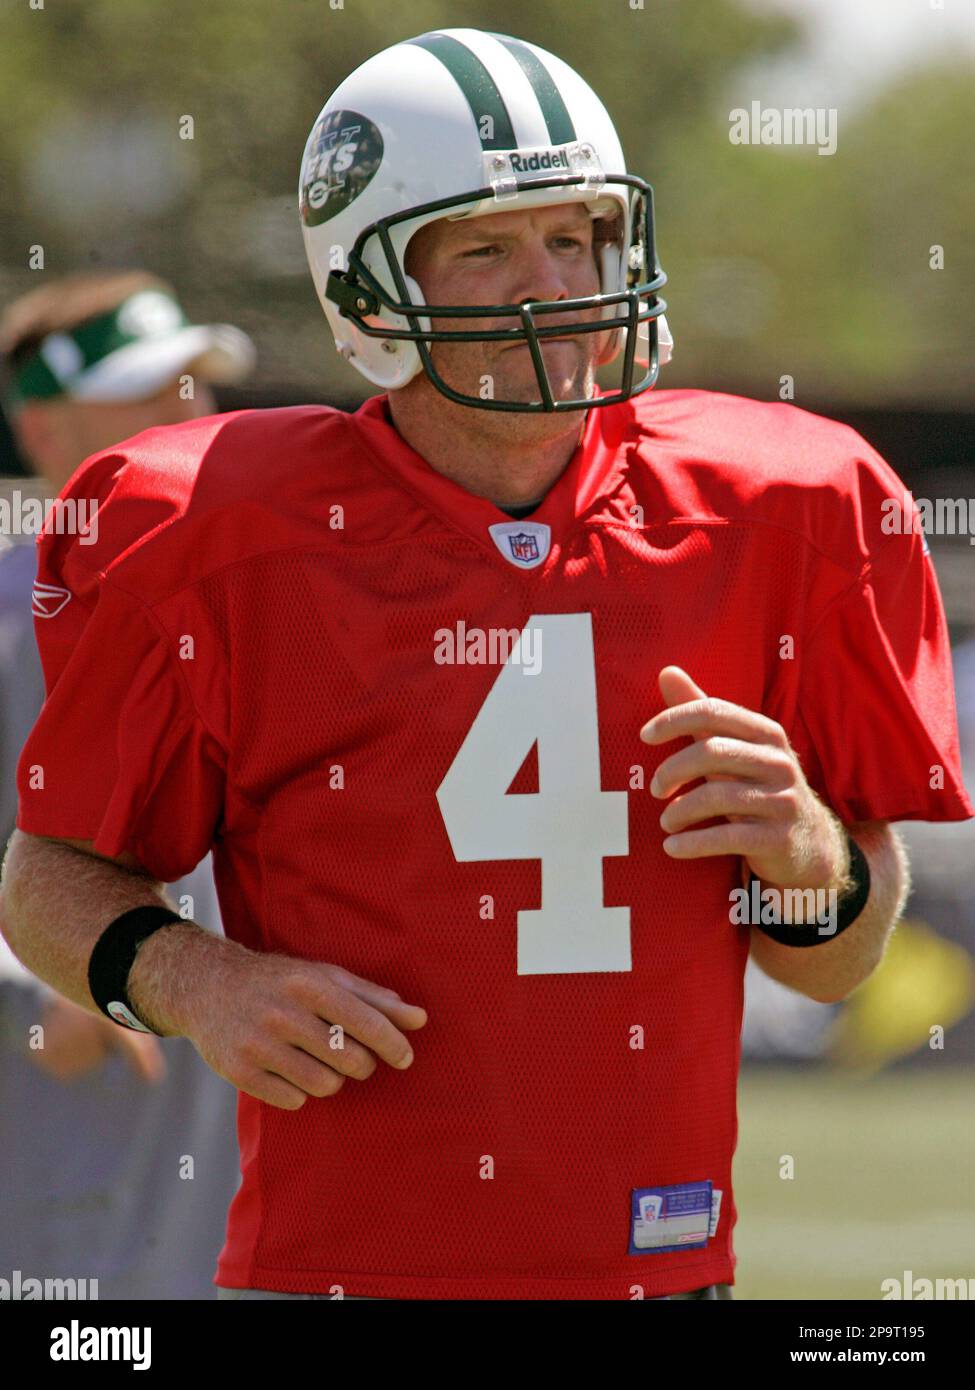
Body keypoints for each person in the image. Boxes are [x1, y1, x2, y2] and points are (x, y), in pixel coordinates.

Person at [1, 29, 971, 1302]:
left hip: (663, 1267)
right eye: (487, 247)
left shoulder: (784, 503)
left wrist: (813, 859)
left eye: (574, 237)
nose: (553, 284)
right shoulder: (217, 527)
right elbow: (49, 872)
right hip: (333, 1274)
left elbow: (826, 960)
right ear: (365, 292)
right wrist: (194, 978)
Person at [0, 271, 253, 1299]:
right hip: (68, 1094)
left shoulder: (249, 582)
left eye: (195, 381)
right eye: (151, 390)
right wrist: (25, 998)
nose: (191, 412)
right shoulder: (18, 615)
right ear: (46, 427)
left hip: (218, 1094)